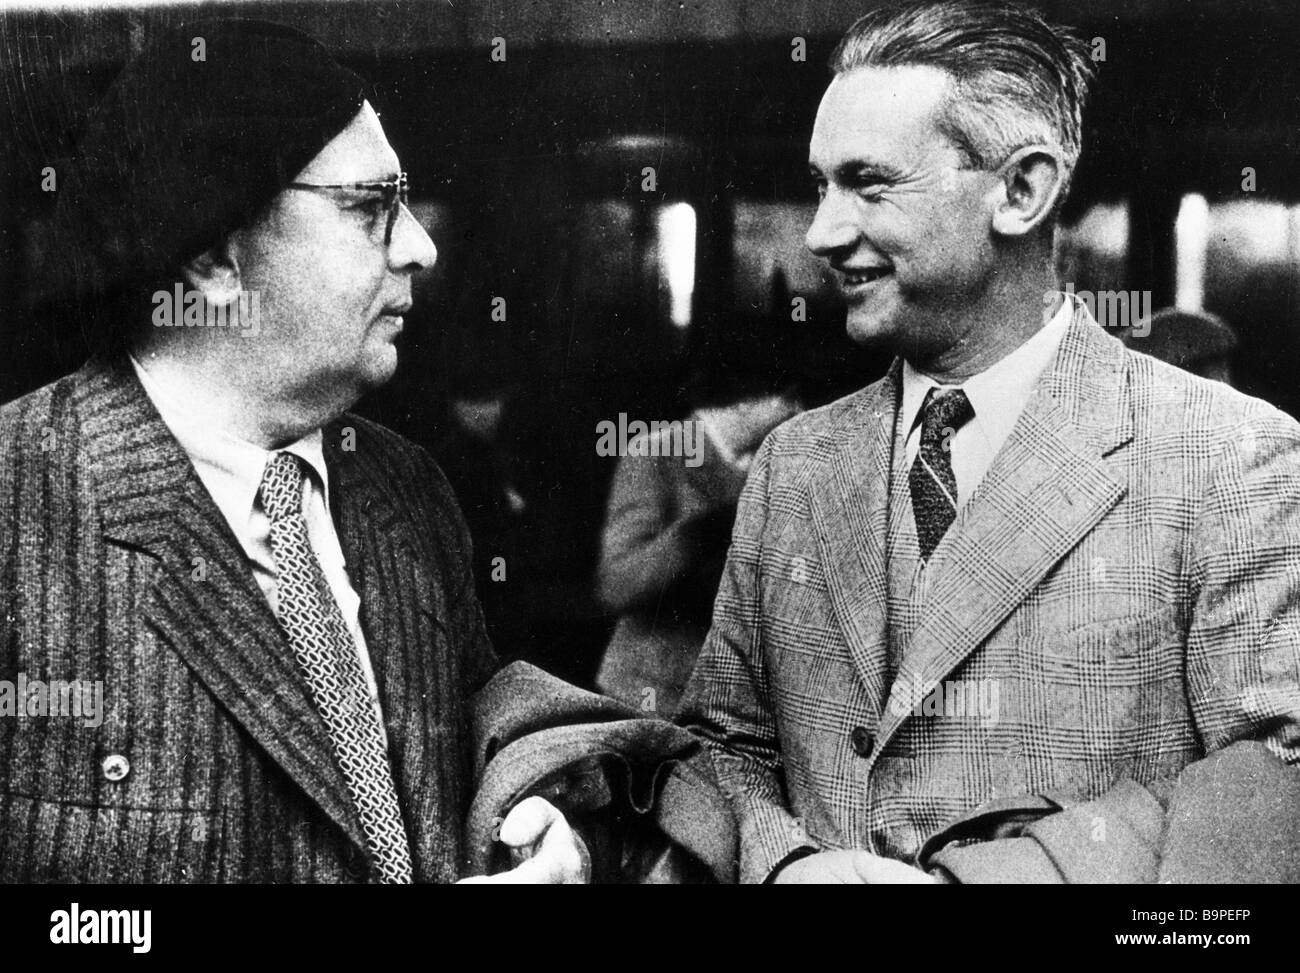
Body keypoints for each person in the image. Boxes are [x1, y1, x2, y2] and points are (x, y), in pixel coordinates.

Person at [678, 0, 1300, 884]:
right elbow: (721, 746)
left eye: (869, 182)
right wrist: (784, 864)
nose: (821, 232)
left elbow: (1275, 788)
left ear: (1022, 191)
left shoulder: (1234, 458)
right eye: (820, 185)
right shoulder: (795, 465)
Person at [0, 19, 587, 884]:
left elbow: (481, 732)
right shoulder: (18, 503)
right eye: (369, 205)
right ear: (211, 259)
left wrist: (539, 824)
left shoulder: (406, 489)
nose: (421, 245)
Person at [593, 344, 801, 717]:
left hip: (744, 704)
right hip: (653, 696)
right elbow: (618, 583)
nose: (801, 415)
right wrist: (702, 532)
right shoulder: (655, 454)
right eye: (791, 401)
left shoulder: (784, 464)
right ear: (746, 402)